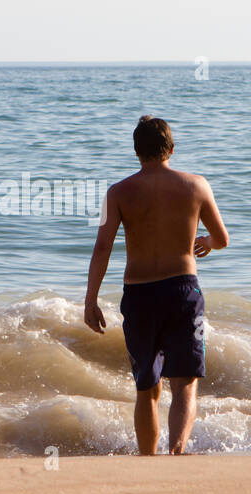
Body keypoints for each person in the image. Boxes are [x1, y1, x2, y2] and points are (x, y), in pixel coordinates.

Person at [84, 115, 229, 455]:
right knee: (185, 384)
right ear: (172, 149)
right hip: (183, 292)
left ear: (136, 152)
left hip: (140, 294)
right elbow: (222, 238)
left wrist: (90, 300)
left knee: (146, 387)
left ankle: (147, 459)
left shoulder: (118, 193)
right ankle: (176, 451)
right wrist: (206, 241)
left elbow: (102, 247)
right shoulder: (197, 186)